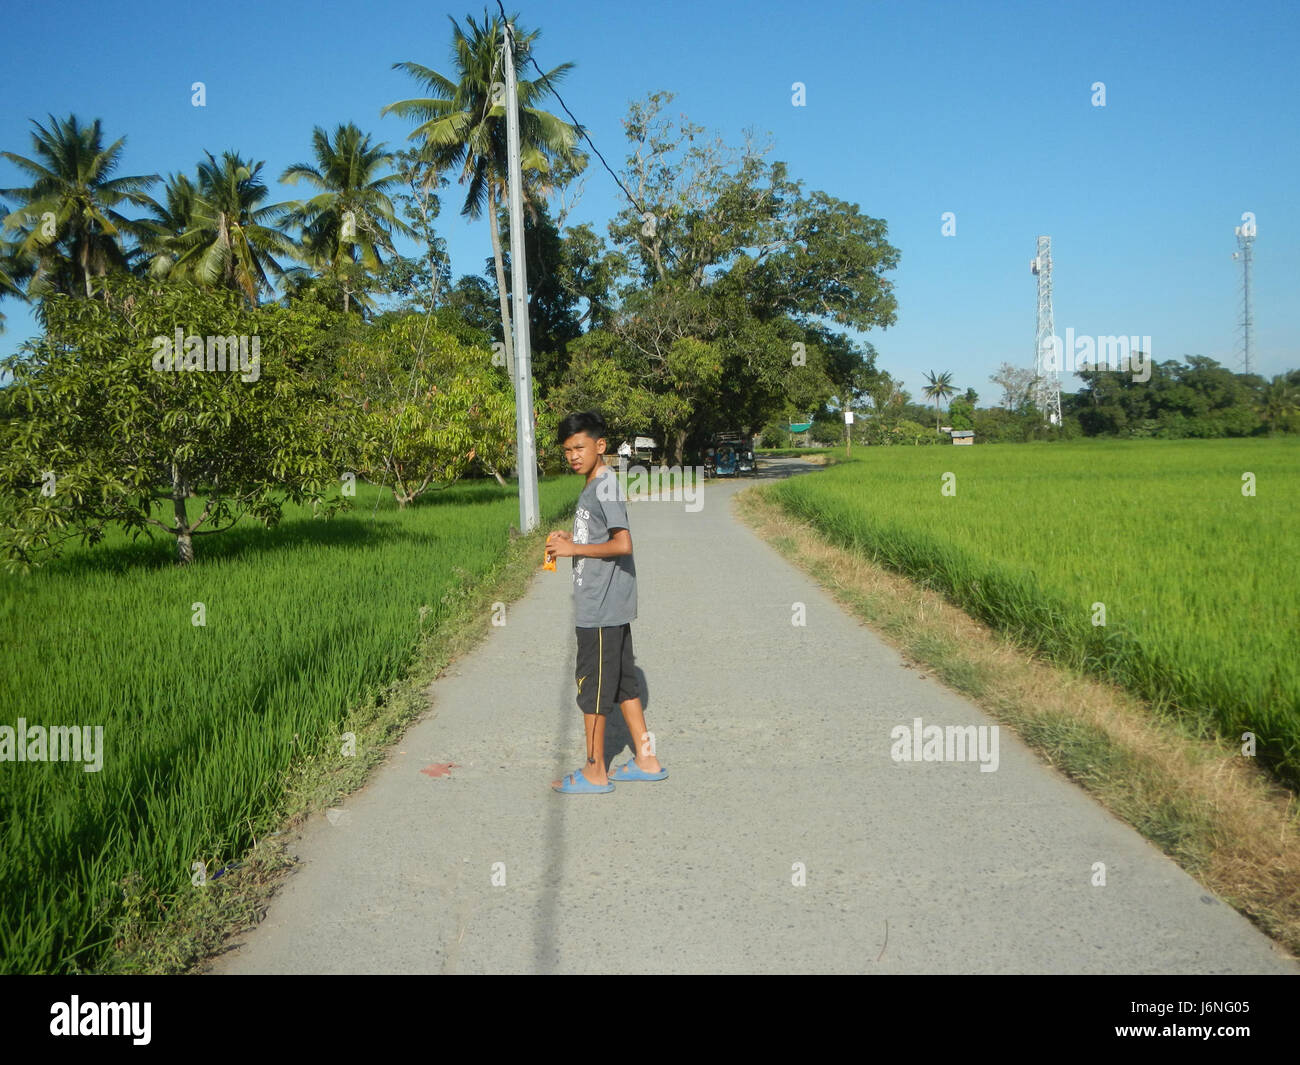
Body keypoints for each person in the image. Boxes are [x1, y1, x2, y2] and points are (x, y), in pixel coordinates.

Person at [546, 411, 667, 794]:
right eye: (567, 450)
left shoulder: (604, 486)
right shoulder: (596, 485)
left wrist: (573, 549)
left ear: (600, 446)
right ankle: (647, 759)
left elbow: (622, 543)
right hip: (608, 604)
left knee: (592, 689)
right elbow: (600, 534)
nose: (573, 455)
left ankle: (595, 771)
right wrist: (573, 539)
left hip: (599, 608)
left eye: (580, 447)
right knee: (623, 686)